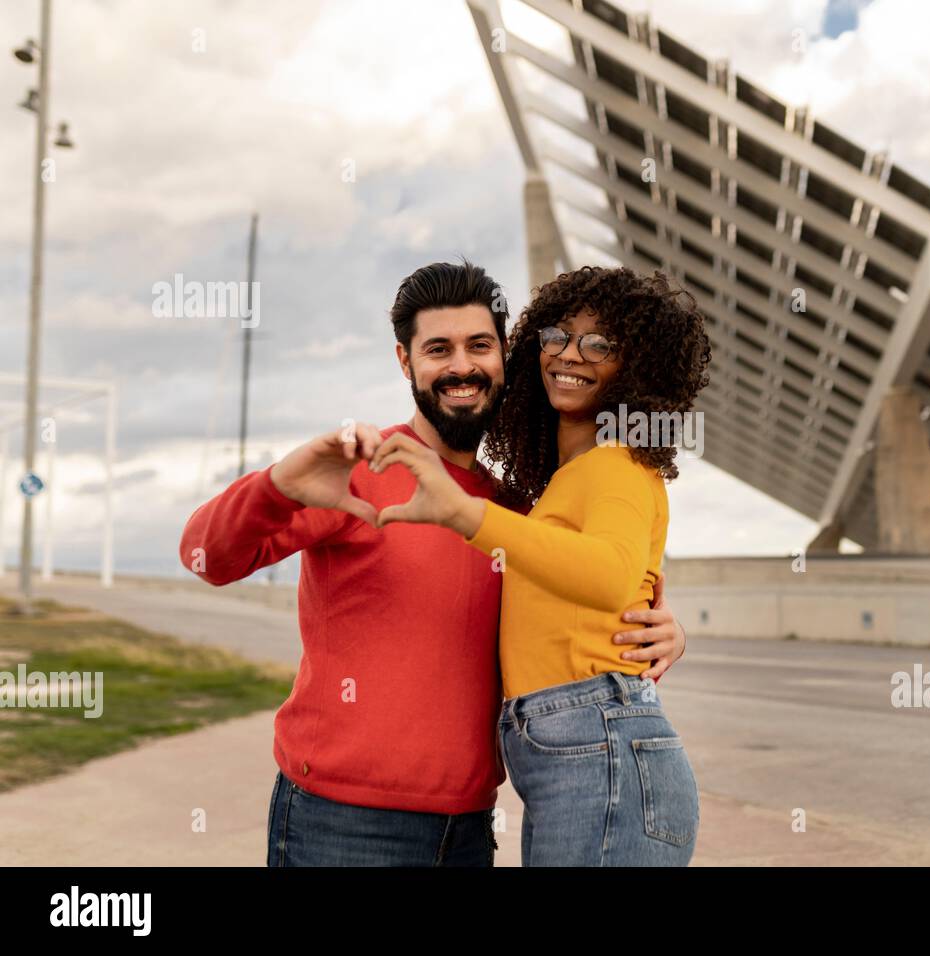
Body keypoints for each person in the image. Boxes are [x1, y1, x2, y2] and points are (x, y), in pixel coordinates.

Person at [178, 260, 686, 866]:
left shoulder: (516, 513)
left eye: (479, 345)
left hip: (467, 831)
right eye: (438, 349)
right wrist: (278, 482)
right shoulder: (360, 474)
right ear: (405, 361)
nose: (461, 367)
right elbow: (204, 555)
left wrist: (666, 628)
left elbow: (595, 586)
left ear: (505, 357)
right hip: (343, 826)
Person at [369, 265, 711, 865]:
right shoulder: (565, 485)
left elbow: (607, 575)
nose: (569, 355)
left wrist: (464, 513)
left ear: (640, 368)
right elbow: (617, 574)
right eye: (556, 336)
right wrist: (664, 620)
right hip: (580, 754)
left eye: (600, 344)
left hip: (600, 748)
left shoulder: (617, 464)